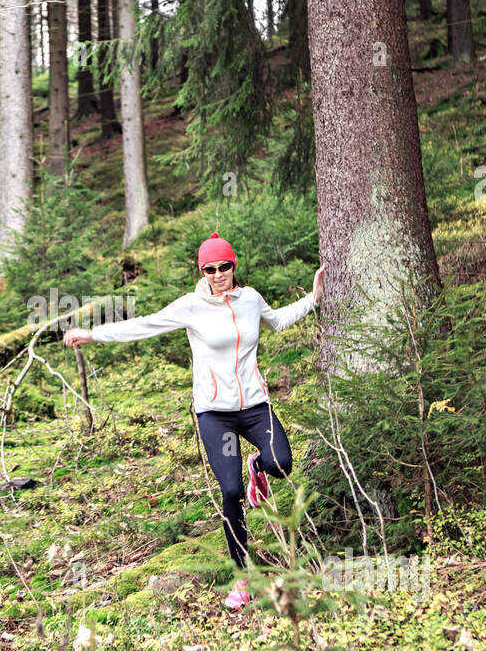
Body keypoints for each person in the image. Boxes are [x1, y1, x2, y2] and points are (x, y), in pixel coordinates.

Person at [64, 232, 324, 610]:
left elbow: (278, 321)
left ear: (234, 266)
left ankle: (258, 467)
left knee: (281, 462)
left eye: (224, 267)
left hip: (254, 407)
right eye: (210, 269)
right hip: (216, 415)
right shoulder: (191, 306)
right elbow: (144, 325)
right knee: (232, 491)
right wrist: (93, 335)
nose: (218, 274)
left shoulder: (250, 300)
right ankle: (244, 576)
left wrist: (313, 299)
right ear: (201, 271)